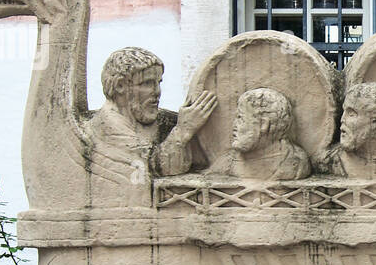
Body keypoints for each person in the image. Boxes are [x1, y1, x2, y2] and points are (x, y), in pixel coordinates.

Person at [88, 46, 215, 176]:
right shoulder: (108, 127)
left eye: (158, 83)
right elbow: (154, 167)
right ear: (120, 86)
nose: (157, 91)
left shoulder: (150, 117)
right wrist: (183, 131)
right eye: (147, 83)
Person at [209, 88, 311, 181]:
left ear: (264, 124)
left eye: (240, 118)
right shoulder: (226, 163)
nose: (234, 125)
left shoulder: (296, 163)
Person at [318, 81, 376, 181]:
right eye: (344, 112)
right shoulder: (331, 161)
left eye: (351, 114)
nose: (342, 119)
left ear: (374, 122)